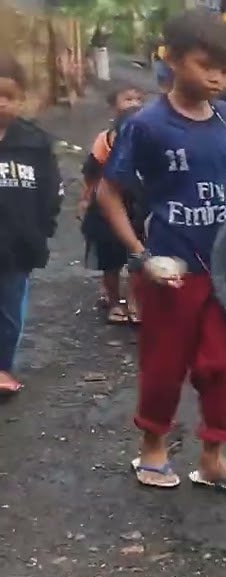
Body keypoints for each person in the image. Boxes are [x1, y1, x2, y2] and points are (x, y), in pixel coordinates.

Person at [96, 10, 226, 496]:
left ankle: (213, 457)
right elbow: (111, 193)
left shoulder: (224, 117)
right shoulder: (147, 124)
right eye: (205, 64)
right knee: (164, 364)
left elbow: (216, 179)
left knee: (223, 366)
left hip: (222, 267)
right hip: (171, 268)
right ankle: (153, 447)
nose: (216, 77)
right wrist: (141, 255)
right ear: (169, 59)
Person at [0, 53, 61, 399]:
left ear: (21, 98)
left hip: (18, 246)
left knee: (10, 311)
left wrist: (43, 230)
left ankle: (3, 366)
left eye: (9, 96)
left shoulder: (35, 142)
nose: (1, 103)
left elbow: (50, 190)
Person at [80, 85, 145, 324]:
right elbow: (92, 173)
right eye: (128, 98)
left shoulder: (148, 145)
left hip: (137, 207)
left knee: (138, 258)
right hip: (105, 210)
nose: (135, 103)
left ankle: (135, 303)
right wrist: (86, 198)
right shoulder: (104, 141)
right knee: (110, 260)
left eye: (139, 98)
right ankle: (115, 300)